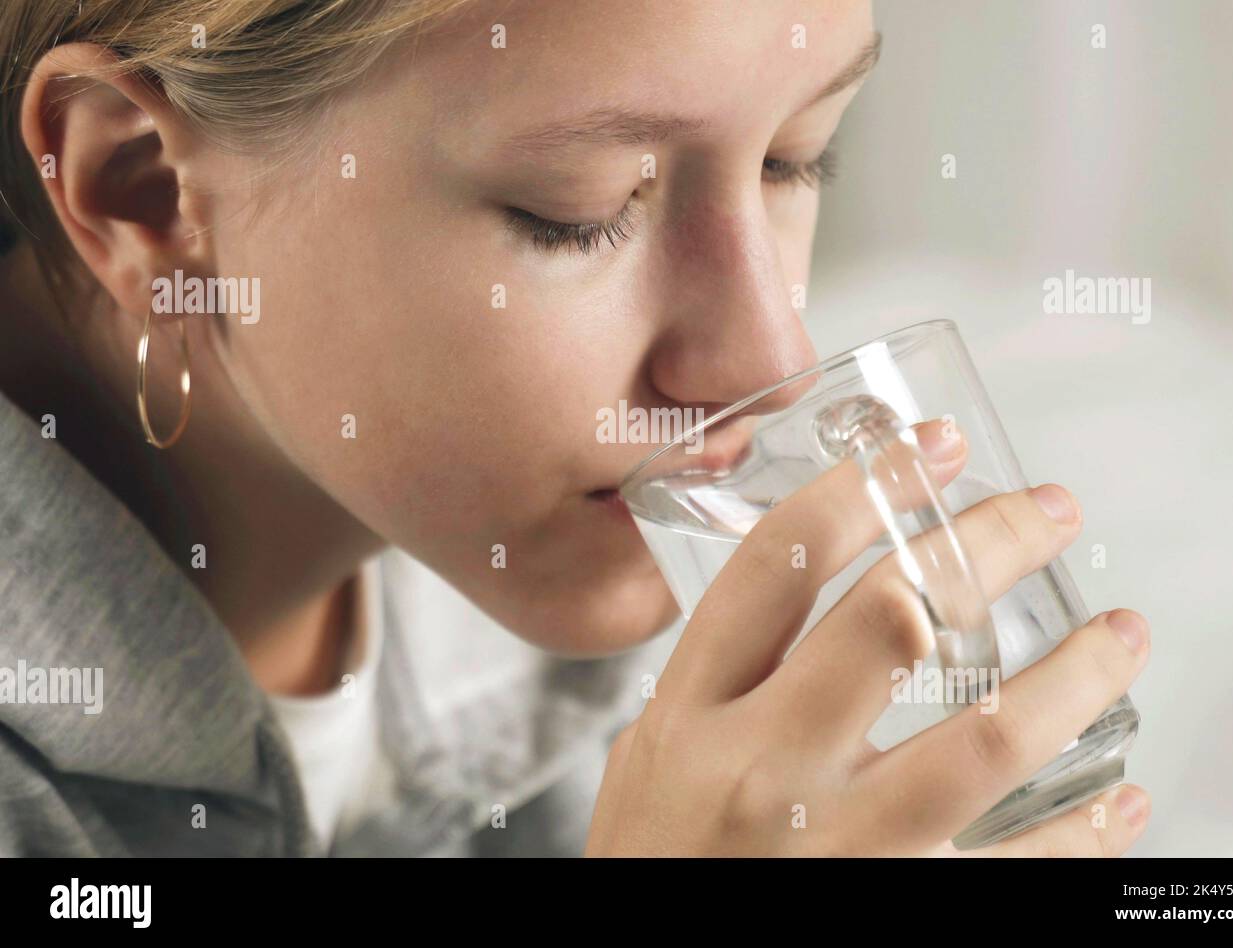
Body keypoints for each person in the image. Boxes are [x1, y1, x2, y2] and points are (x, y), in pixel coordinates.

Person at [0, 0, 1150, 856]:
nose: (768, 362)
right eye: (579, 215)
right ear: (140, 191)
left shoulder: (563, 587)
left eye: (798, 157)